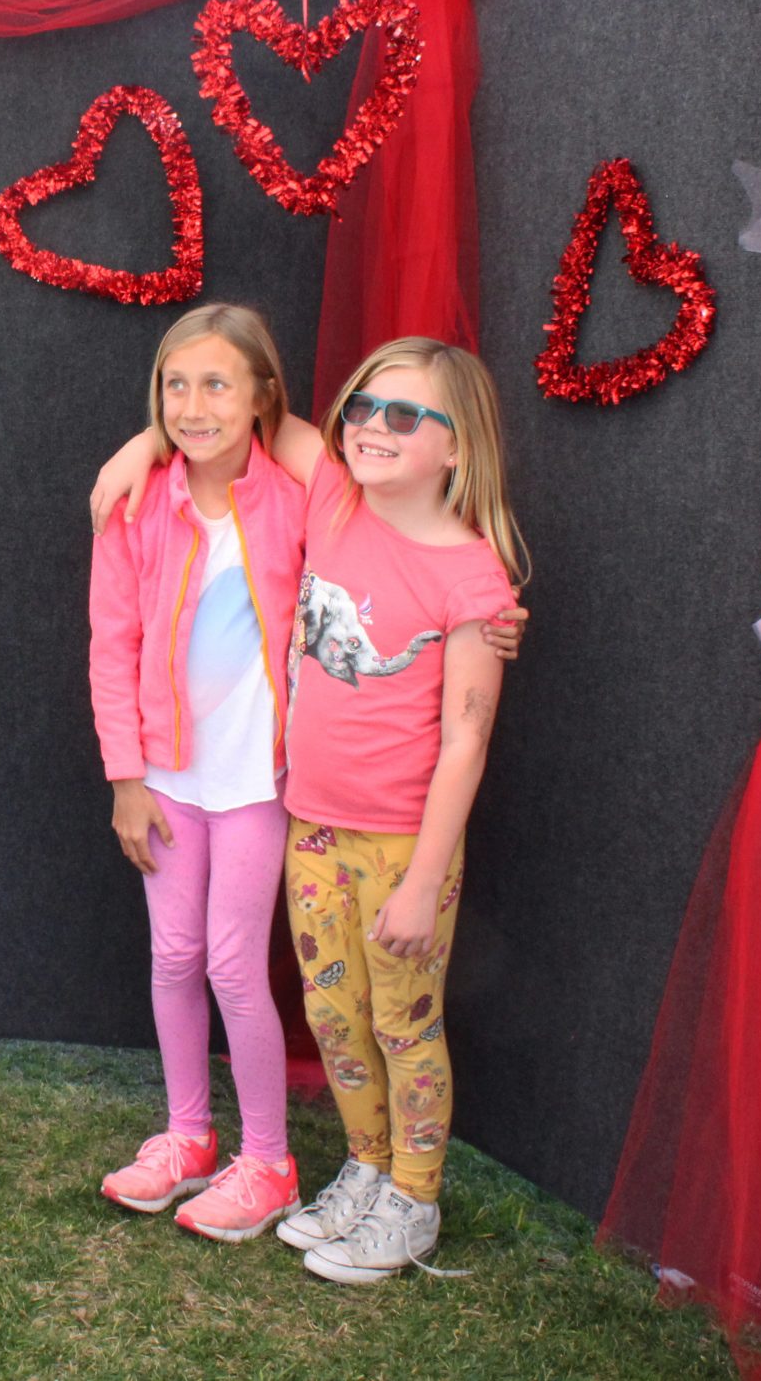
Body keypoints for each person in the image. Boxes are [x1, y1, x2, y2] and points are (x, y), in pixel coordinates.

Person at [270, 338, 524, 1282]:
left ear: (456, 447)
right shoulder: (333, 498)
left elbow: (466, 740)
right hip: (314, 830)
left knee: (402, 1024)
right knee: (335, 1017)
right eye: (364, 408)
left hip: (402, 851)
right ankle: (367, 1168)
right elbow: (260, 397)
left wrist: (422, 882)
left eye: (405, 415)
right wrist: (138, 449)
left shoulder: (471, 579)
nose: (374, 427)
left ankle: (414, 1198)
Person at [89, 305, 308, 1243]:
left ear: (262, 394)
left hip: (260, 783)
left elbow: (372, 510)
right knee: (172, 958)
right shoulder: (137, 503)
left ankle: (270, 1161)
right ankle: (188, 1135)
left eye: (217, 383)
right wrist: (125, 777)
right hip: (168, 779)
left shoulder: (299, 494)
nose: (191, 405)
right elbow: (111, 643)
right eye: (173, 386)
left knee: (232, 963)